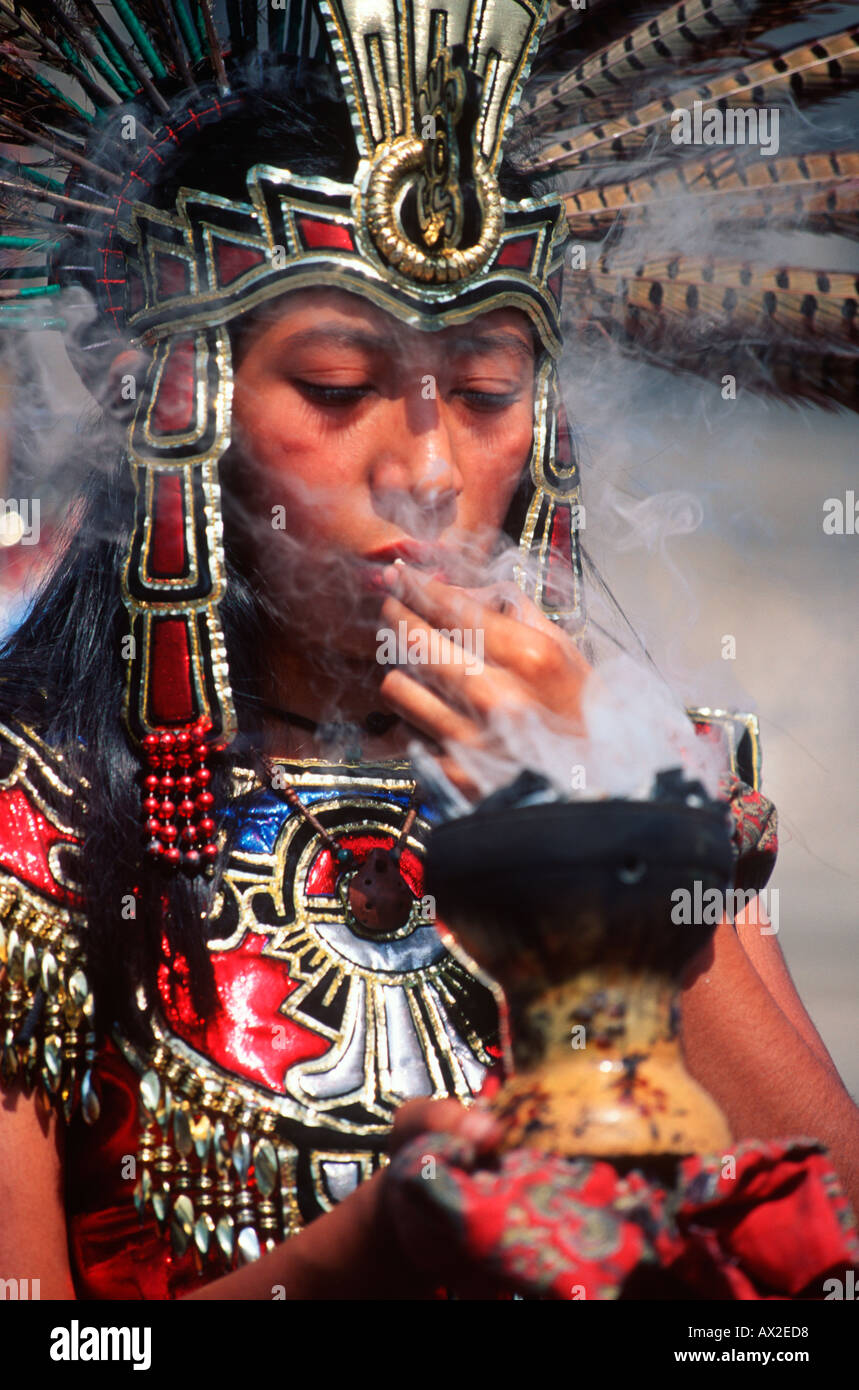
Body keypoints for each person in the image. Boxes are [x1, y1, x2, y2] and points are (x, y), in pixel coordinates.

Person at [0, 1, 857, 1301]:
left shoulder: (656, 771)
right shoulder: (33, 832)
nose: (426, 469)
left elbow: (833, 1265)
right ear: (192, 412)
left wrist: (616, 809)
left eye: (485, 392)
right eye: (339, 390)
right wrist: (365, 1256)